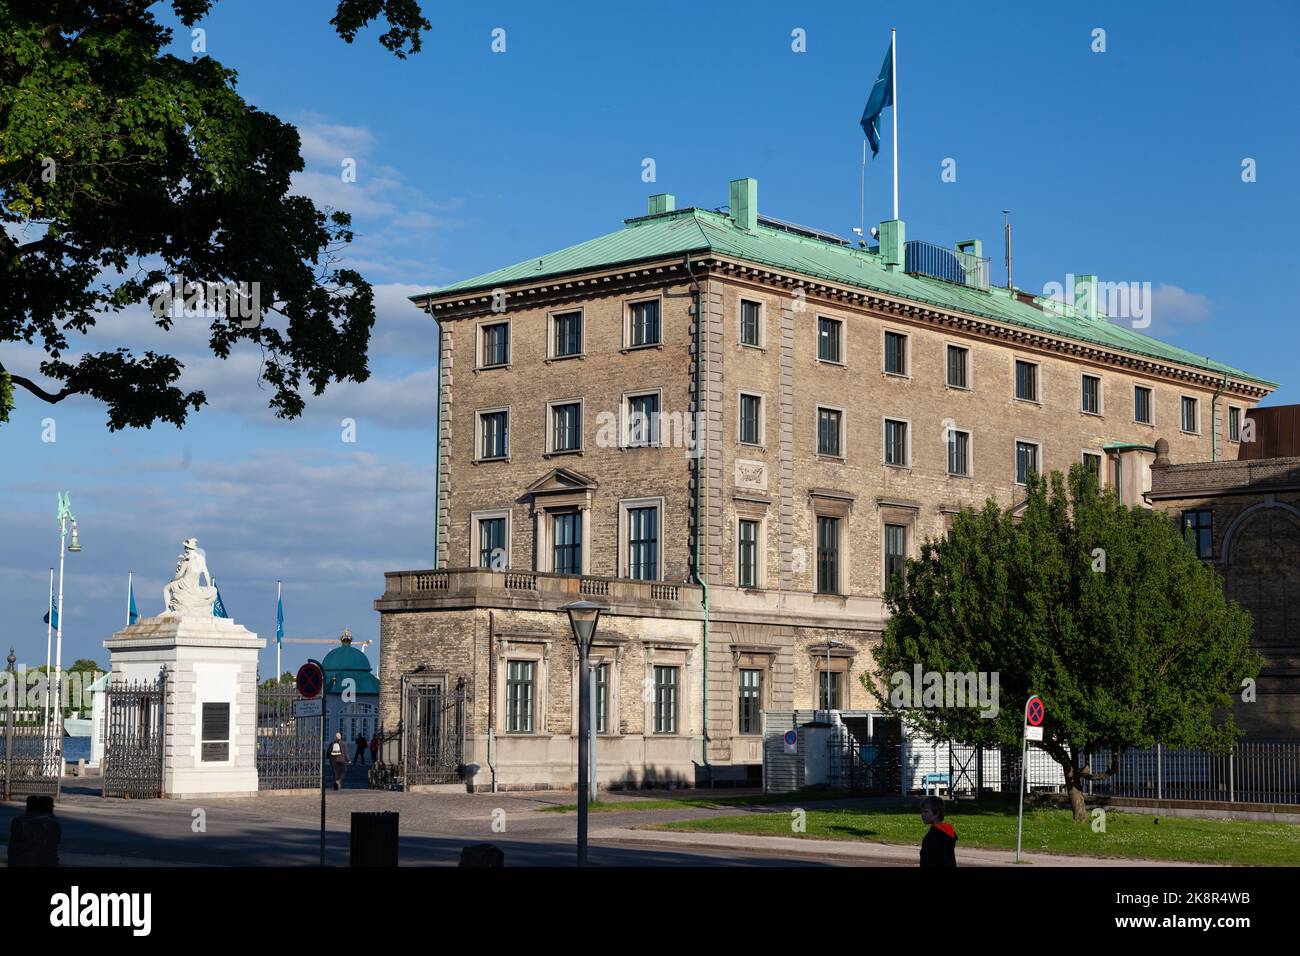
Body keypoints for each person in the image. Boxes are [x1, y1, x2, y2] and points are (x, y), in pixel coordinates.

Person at [919, 795, 957, 867]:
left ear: (936, 813)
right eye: (922, 812)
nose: (922, 815)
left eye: (925, 812)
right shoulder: (947, 833)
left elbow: (929, 860)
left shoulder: (934, 836)